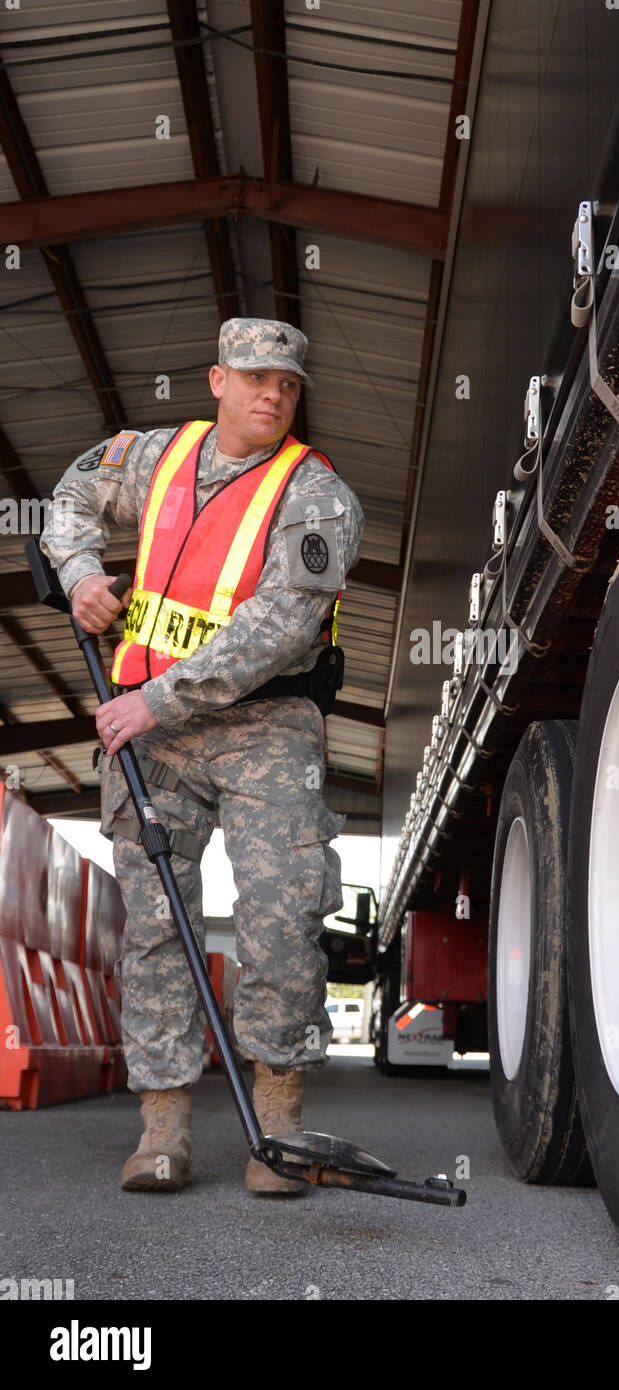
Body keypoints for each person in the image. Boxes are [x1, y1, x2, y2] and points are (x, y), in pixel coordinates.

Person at [40, 318, 363, 1195]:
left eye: (288, 384)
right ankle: (163, 1133)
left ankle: (281, 1133)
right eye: (256, 377)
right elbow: (67, 497)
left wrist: (155, 698)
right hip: (153, 739)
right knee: (152, 931)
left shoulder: (317, 494)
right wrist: (79, 576)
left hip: (265, 726)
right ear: (216, 380)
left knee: (281, 924)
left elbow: (278, 628)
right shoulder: (155, 458)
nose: (273, 394)